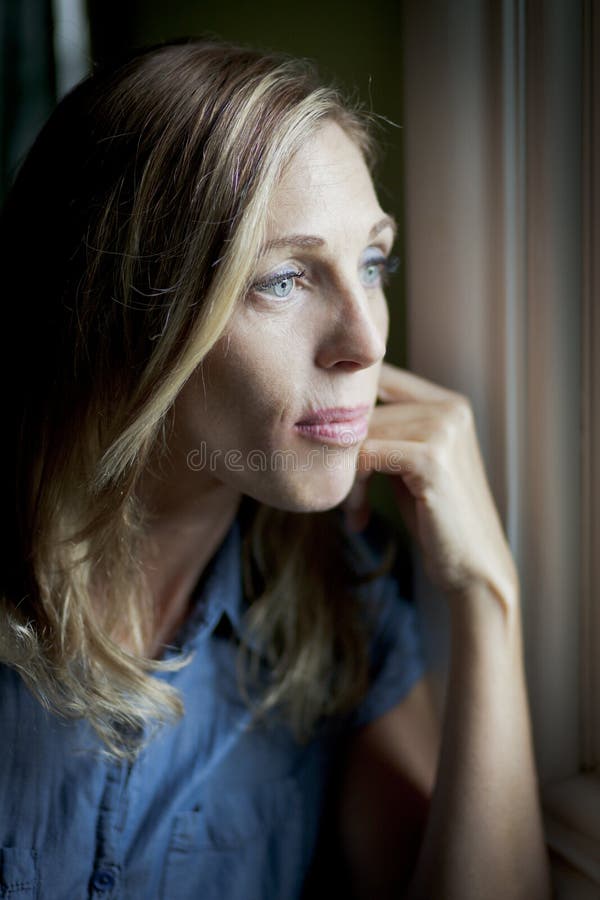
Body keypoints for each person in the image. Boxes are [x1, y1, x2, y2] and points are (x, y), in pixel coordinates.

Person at [0, 38, 551, 900]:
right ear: (123, 315)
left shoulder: (339, 594)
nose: (366, 343)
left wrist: (488, 594)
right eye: (285, 279)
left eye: (372, 264)